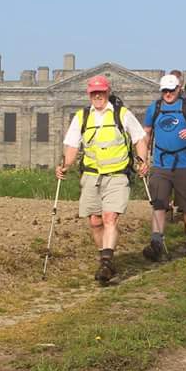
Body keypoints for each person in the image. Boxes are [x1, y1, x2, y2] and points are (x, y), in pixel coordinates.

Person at [56, 75, 149, 285]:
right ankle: (104, 259)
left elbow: (139, 139)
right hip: (91, 175)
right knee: (95, 221)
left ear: (108, 92)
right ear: (89, 94)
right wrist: (65, 165)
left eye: (101, 92)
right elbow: (72, 145)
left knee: (109, 218)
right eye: (94, 93)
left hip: (117, 174)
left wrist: (143, 160)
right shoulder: (82, 117)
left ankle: (107, 263)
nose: (97, 96)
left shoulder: (122, 114)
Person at [141, 74, 186, 261]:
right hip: (160, 163)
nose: (168, 94)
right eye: (164, 91)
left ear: (178, 89)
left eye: (171, 90)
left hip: (184, 163)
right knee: (159, 203)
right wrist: (143, 158)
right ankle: (156, 243)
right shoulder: (155, 108)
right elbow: (146, 133)